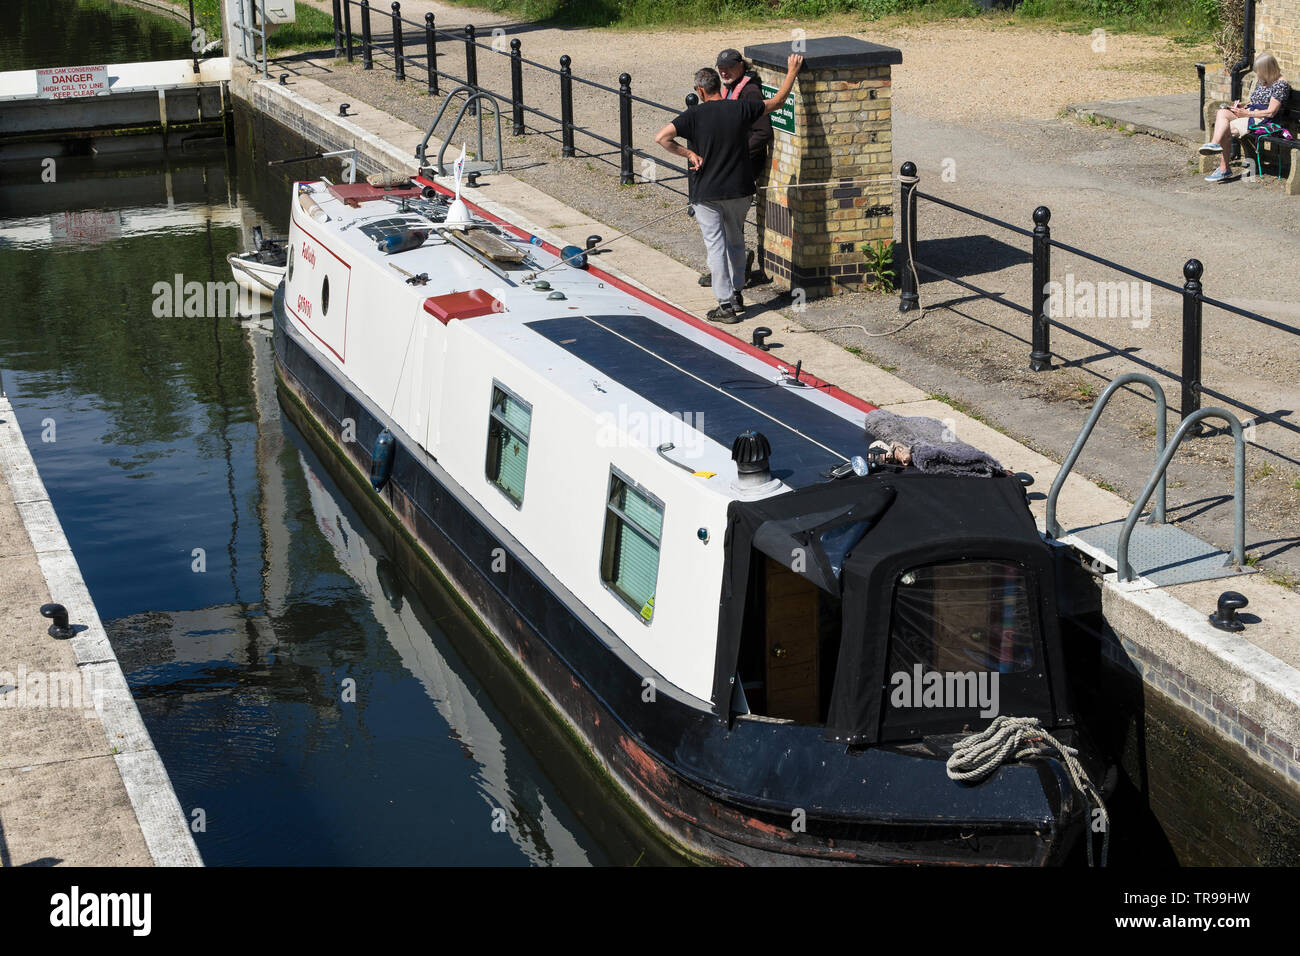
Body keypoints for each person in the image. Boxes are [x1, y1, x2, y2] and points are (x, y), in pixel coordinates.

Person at [655, 53, 802, 323]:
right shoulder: (740, 108)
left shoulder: (693, 115)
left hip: (708, 192)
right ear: (717, 86)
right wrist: (792, 71)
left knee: (715, 246)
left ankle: (725, 306)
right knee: (736, 241)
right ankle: (736, 292)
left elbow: (661, 138)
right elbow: (778, 102)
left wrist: (689, 154)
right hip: (740, 188)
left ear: (700, 90)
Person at [697, 49, 773, 290]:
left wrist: (736, 155)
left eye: (729, 67)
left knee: (727, 228)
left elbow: (762, 133)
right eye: (721, 67)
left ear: (741, 66)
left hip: (742, 168)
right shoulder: (733, 87)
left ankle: (730, 276)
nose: (723, 71)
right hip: (734, 167)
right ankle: (726, 272)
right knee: (726, 227)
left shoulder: (749, 92)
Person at [1200, 52, 1290, 183]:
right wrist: (1242, 106)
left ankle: (1224, 169)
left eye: (1259, 71)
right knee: (1222, 112)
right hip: (1251, 113)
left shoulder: (1280, 85)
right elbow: (1255, 101)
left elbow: (1271, 112)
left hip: (1264, 120)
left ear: (1267, 70)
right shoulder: (1264, 80)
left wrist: (1247, 113)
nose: (1258, 74)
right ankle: (1214, 144)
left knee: (1226, 129)